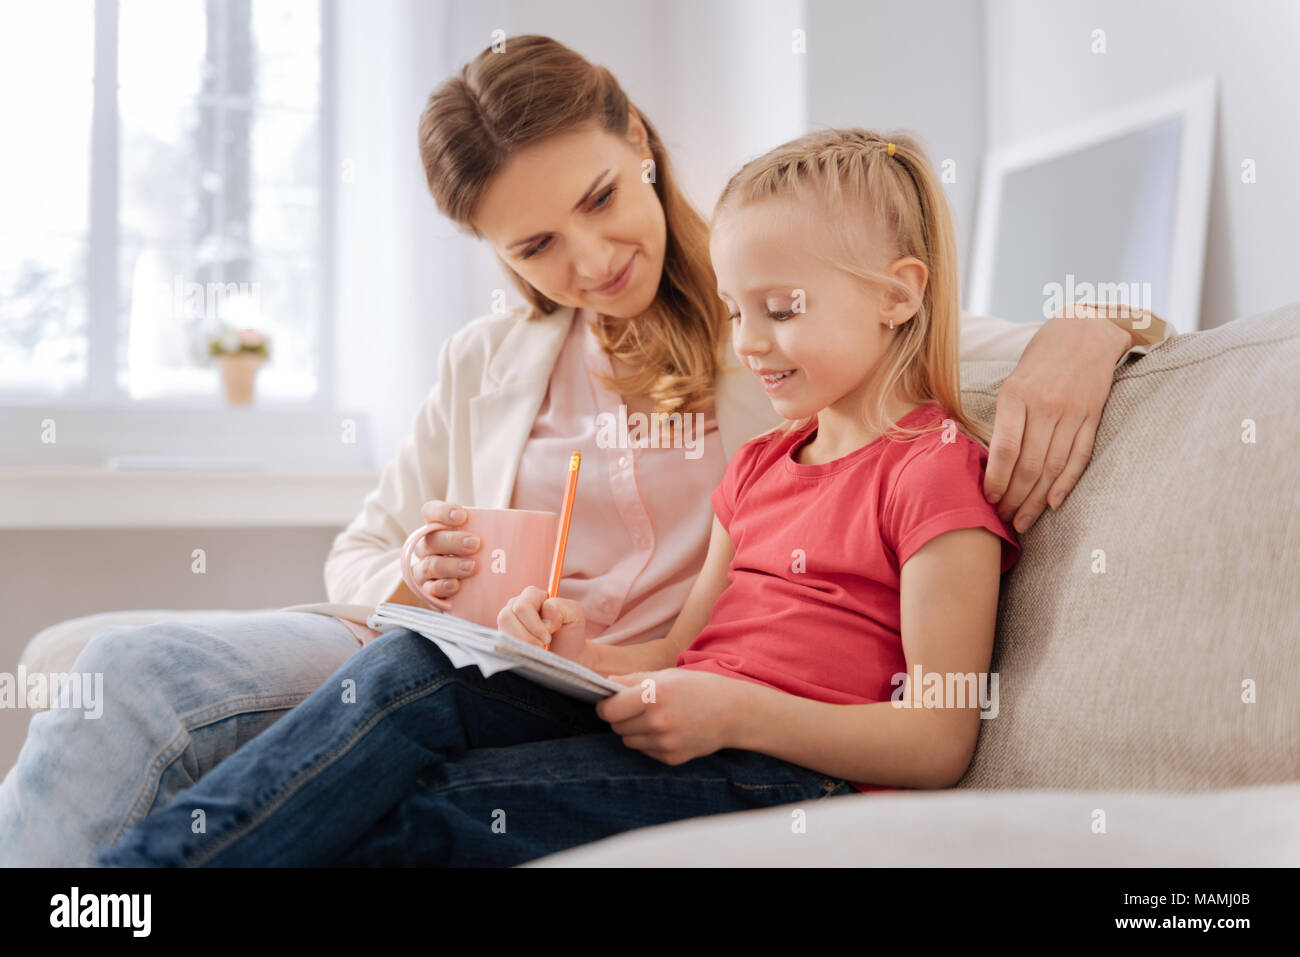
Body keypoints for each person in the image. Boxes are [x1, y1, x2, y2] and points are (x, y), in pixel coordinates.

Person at [1, 35, 1165, 868]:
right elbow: (374, 560)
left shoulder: (787, 325)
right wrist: (433, 572)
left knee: (418, 801)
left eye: (605, 197)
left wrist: (1102, 322)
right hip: (554, 669)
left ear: (642, 146)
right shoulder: (504, 362)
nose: (595, 256)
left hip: (700, 717)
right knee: (157, 667)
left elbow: (951, 336)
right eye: (539, 244)